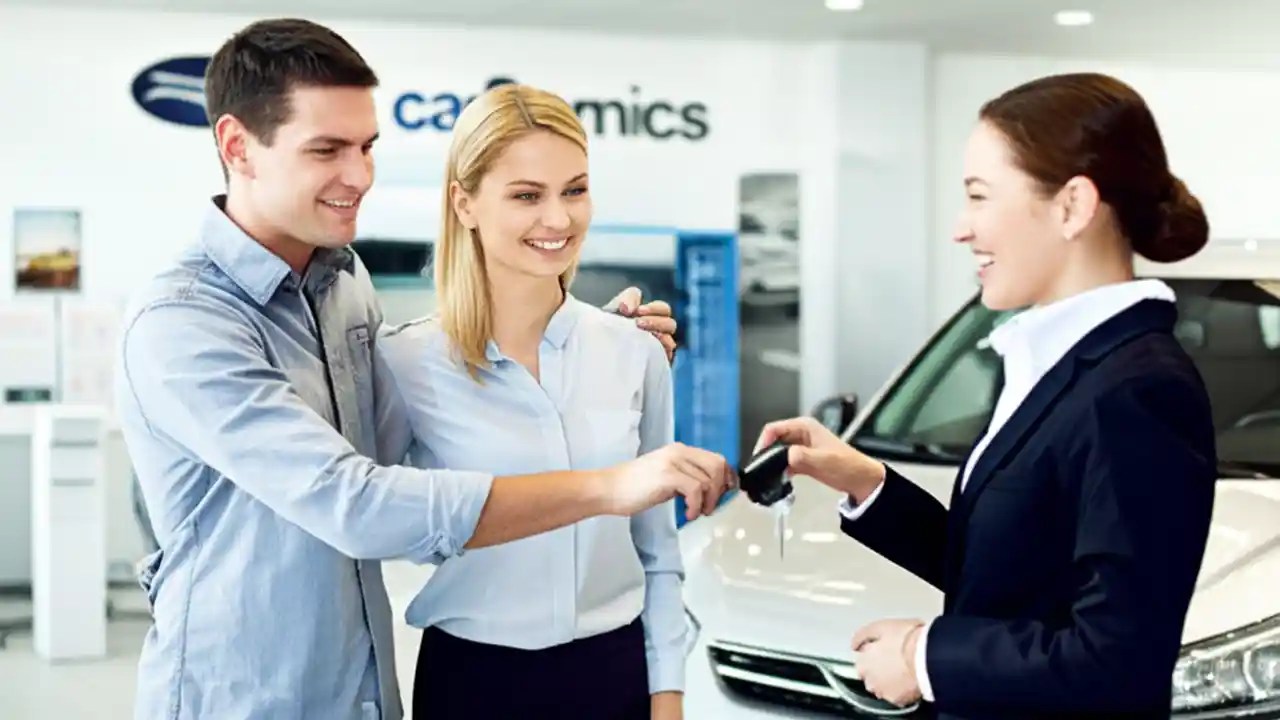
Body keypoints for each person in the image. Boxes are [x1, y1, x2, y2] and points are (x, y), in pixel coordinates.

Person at [114, 18, 733, 720]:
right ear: (237, 146)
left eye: (367, 146)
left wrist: (597, 349)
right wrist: (611, 485)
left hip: (364, 687)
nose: (360, 175)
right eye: (328, 149)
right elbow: (362, 502)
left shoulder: (343, 286)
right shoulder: (184, 322)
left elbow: (652, 551)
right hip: (246, 694)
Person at [755, 72, 1217, 720]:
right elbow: (1015, 572)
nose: (961, 229)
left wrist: (924, 658)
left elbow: (1117, 660)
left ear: (1072, 207)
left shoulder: (1138, 391)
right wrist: (864, 481)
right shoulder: (1049, 361)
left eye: (978, 197)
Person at [376, 84, 685, 720]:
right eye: (526, 195)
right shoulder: (405, 363)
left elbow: (658, 552)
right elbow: (372, 520)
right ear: (464, 203)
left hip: (614, 675)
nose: (559, 219)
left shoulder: (637, 352)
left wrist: (668, 696)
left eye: (574, 190)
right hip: (473, 681)